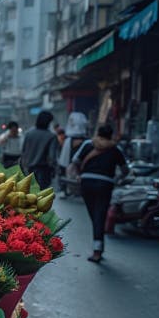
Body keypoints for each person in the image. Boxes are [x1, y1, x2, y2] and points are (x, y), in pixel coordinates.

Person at [71, 124, 128, 263]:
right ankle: (97, 250)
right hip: (105, 184)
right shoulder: (115, 149)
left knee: (94, 215)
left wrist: (79, 175)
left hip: (87, 183)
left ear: (98, 133)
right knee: (100, 215)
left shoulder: (88, 144)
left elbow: (75, 161)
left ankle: (98, 247)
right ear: (111, 135)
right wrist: (118, 179)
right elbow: (125, 169)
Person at [20, 111, 57, 189]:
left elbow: (23, 152)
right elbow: (52, 157)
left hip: (28, 170)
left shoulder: (29, 134)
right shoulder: (51, 136)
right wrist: (54, 170)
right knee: (42, 196)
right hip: (44, 171)